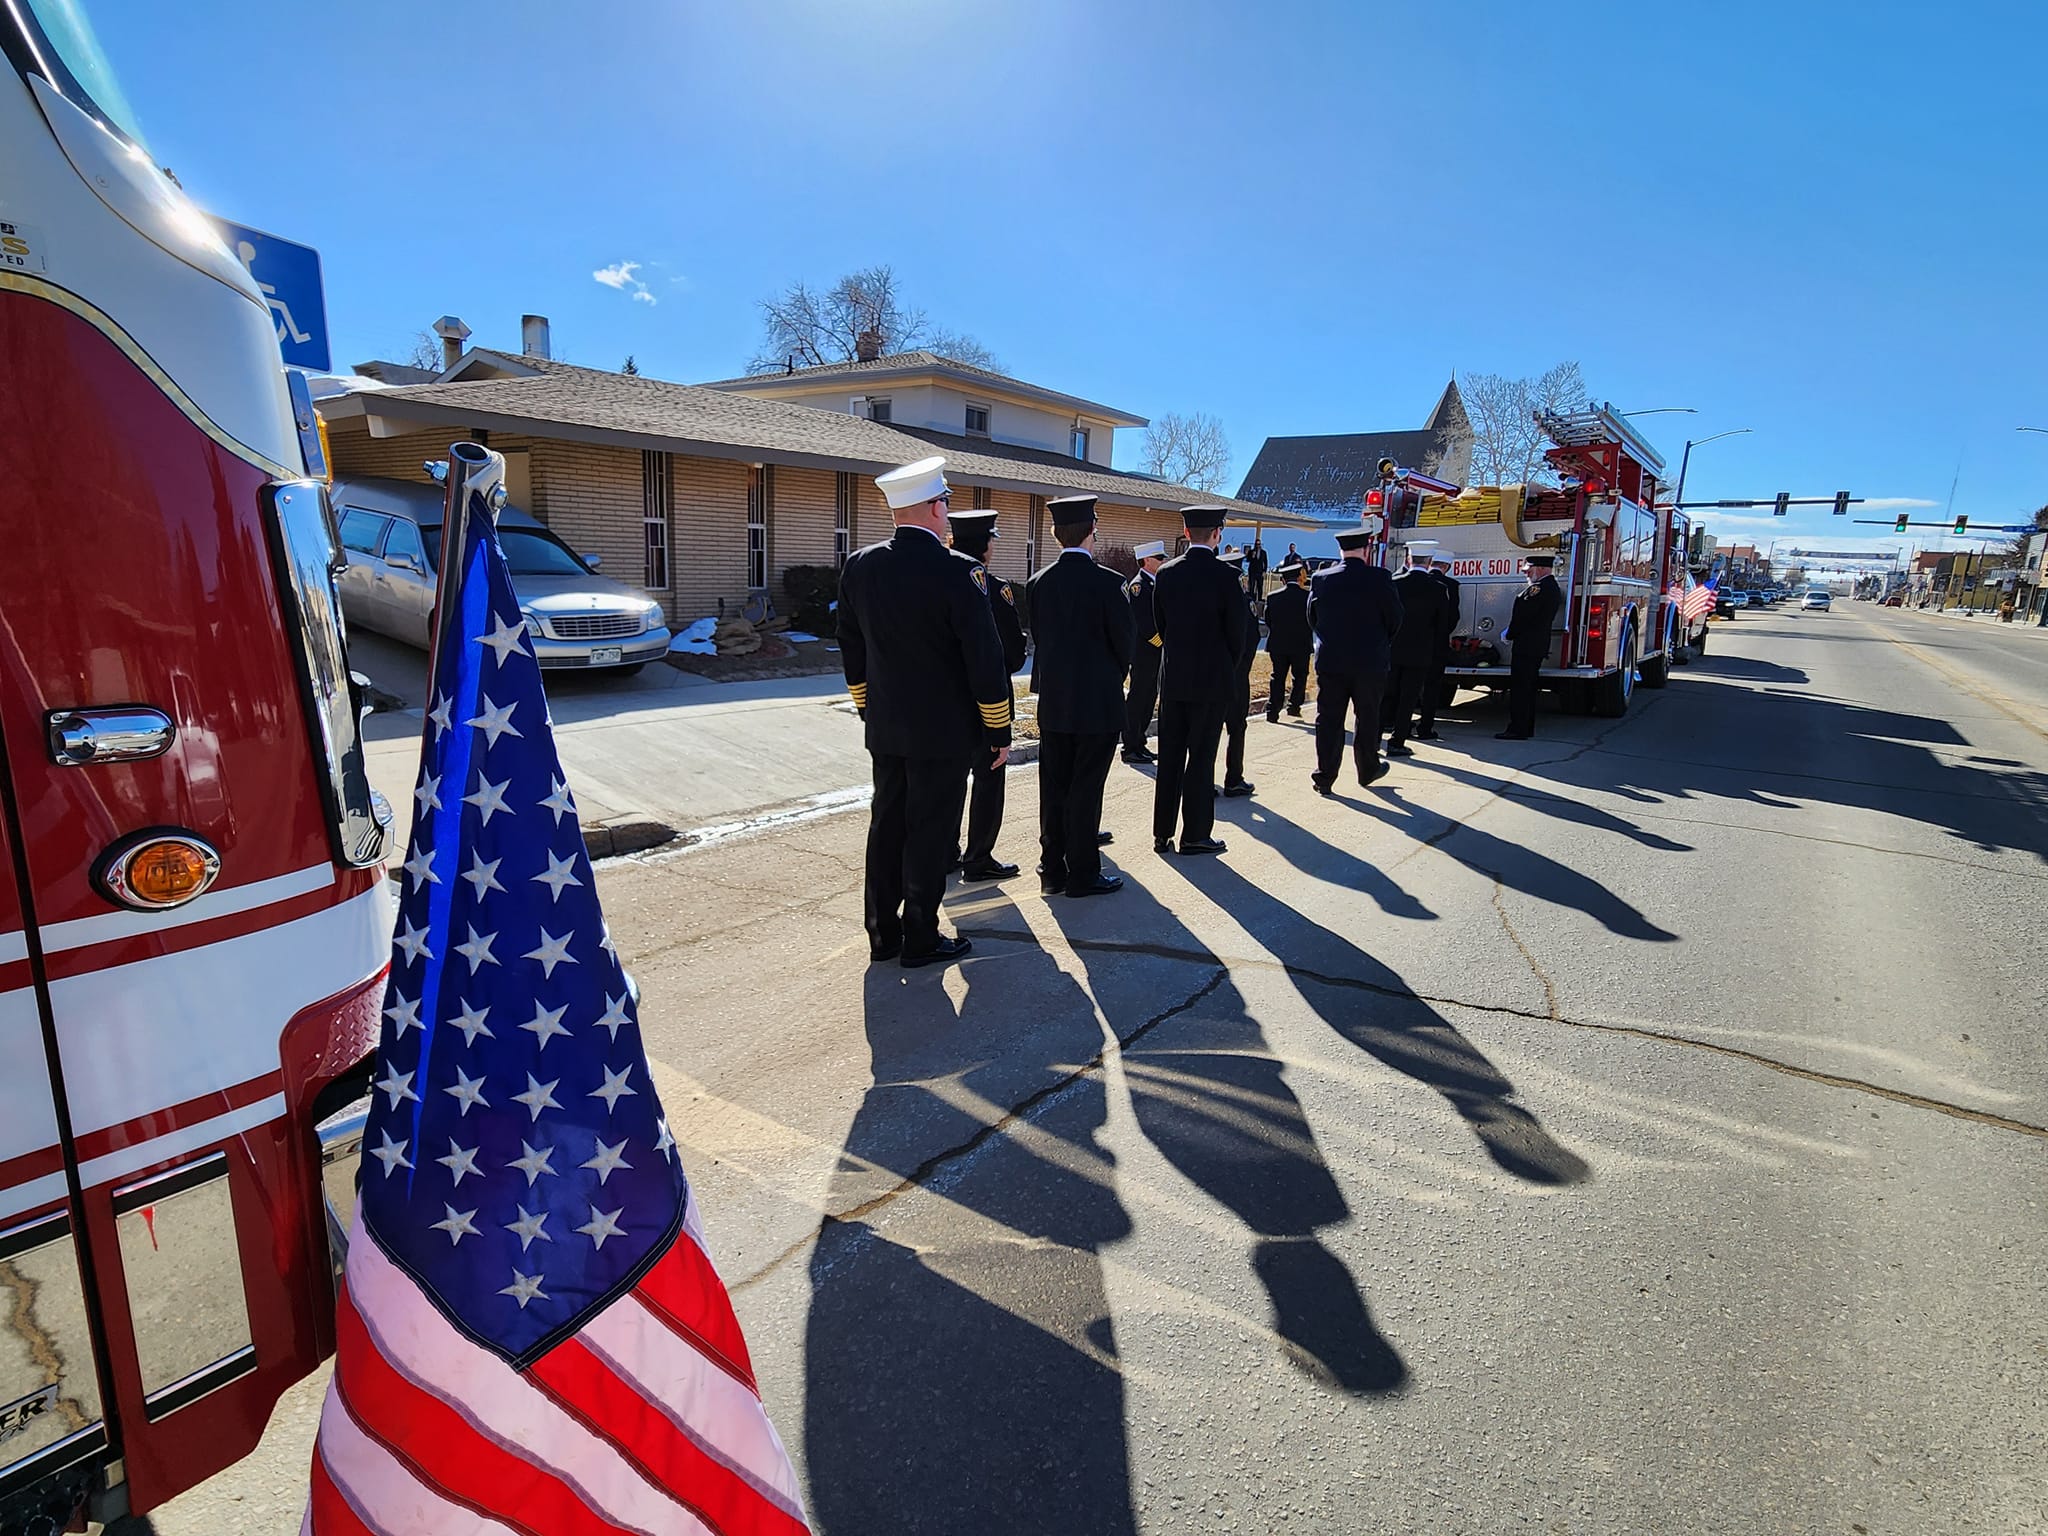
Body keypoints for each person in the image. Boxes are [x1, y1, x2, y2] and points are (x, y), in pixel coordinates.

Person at [838, 456, 1012, 968]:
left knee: (887, 824)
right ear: (936, 509)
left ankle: (881, 933)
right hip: (943, 731)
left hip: (887, 724)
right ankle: (921, 936)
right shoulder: (962, 572)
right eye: (945, 503)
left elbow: (850, 644)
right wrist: (997, 728)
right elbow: (984, 659)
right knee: (931, 829)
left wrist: (868, 706)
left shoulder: (861, 564)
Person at [1025, 495, 1134, 897]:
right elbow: (1125, 645)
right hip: (1097, 702)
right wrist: (1110, 679)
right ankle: (1083, 872)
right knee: (1087, 788)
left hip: (1055, 700)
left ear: (1055, 534)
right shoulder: (1110, 583)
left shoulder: (1038, 583)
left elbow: (1040, 638)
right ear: (1093, 530)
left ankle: (1052, 869)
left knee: (1053, 786)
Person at [1151, 505, 1243, 854]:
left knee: (1170, 757)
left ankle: (1162, 832)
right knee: (1201, 758)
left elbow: (1161, 624)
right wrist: (1224, 666)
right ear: (1217, 534)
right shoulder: (1227, 577)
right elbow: (1237, 636)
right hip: (1211, 681)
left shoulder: (1167, 574)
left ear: (1186, 533)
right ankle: (1195, 834)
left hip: (1174, 677)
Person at [946, 504, 1027, 881]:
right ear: (986, 546)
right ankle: (978, 858)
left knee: (947, 782)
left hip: (945, 704)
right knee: (988, 779)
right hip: (987, 704)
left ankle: (945, 853)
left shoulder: (932, 581)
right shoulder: (994, 589)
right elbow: (1012, 656)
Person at [1308, 525, 1403, 794]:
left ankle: (1324, 777)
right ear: (1366, 550)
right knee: (1368, 716)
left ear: (1341, 550)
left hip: (1332, 661)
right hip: (1369, 661)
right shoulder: (1380, 578)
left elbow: (1312, 617)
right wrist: (1380, 643)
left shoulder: (1322, 579)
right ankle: (1367, 768)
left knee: (1328, 719)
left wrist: (1327, 640)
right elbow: (1395, 618)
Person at [1383, 550, 1448, 757]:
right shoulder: (1438, 589)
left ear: (1409, 560)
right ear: (1429, 562)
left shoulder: (1394, 583)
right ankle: (1397, 741)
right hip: (1420, 652)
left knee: (1386, 696)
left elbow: (1384, 617)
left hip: (1392, 650)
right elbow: (1442, 626)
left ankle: (1373, 739)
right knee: (1408, 699)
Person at [1497, 552, 1563, 740]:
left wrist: (1509, 634)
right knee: (1527, 688)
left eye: (1530, 570)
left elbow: (1523, 617)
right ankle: (1525, 727)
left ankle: (1517, 729)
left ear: (1541, 569)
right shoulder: (1550, 587)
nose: (1527, 574)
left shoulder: (1539, 589)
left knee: (1521, 689)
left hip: (1527, 646)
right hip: (1535, 646)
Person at [1219, 548, 1262, 797]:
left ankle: (1203, 781)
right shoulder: (1242, 600)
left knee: (1208, 731)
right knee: (1236, 728)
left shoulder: (1209, 596)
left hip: (1212, 676)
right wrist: (1241, 667)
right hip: (1234, 677)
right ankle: (1233, 778)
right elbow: (1252, 638)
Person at [1121, 540, 1167, 764]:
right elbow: (1144, 622)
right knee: (1139, 698)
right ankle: (1130, 745)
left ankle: (1140, 742)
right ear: (1146, 560)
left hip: (1154, 651)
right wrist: (1161, 643)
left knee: (1149, 697)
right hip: (1144, 650)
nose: (1163, 562)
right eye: (1159, 558)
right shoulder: (1139, 586)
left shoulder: (1155, 583)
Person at [1414, 556, 1460, 740]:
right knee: (1432, 687)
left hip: (1410, 644)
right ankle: (1426, 727)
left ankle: (1398, 724)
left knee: (1408, 686)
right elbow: (1452, 617)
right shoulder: (1449, 586)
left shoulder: (1405, 581)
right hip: (1436, 645)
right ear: (1446, 566)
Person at [1263, 560, 1311, 721]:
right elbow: (1313, 619)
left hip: (1278, 643)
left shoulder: (1273, 597)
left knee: (1277, 676)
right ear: (1299, 577)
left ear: (1283, 579)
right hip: (1301, 643)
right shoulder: (1307, 596)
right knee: (1300, 675)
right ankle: (1294, 706)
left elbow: (1268, 619)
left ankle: (1273, 710)